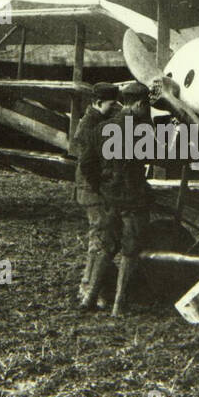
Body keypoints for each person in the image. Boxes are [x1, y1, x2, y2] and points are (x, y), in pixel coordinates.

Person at [79, 82, 152, 317]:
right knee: (130, 251)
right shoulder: (142, 130)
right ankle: (119, 305)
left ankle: (89, 297)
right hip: (133, 199)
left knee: (106, 247)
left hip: (109, 197)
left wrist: (101, 185)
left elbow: (86, 163)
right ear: (141, 104)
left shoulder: (103, 127)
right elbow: (159, 158)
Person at [72, 82, 121, 310]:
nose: (115, 107)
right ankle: (90, 291)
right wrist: (102, 186)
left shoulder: (93, 120)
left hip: (91, 190)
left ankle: (89, 288)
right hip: (94, 192)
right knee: (102, 241)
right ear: (99, 102)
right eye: (112, 104)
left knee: (98, 240)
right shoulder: (90, 125)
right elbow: (87, 164)